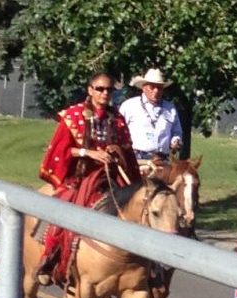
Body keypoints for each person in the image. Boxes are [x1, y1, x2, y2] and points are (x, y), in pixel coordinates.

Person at [35, 69, 143, 282]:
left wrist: (116, 151)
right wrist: (89, 152)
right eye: (100, 89)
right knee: (66, 205)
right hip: (81, 175)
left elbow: (127, 151)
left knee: (138, 209)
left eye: (109, 90)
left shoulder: (117, 119)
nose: (105, 93)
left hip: (111, 176)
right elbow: (62, 151)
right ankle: (51, 256)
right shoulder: (73, 116)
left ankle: (144, 264)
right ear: (90, 90)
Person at [119, 66, 184, 166]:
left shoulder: (170, 108)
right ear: (144, 88)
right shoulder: (129, 106)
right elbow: (119, 131)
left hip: (162, 159)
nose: (156, 91)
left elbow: (176, 132)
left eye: (159, 88)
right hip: (137, 159)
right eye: (152, 87)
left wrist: (176, 141)